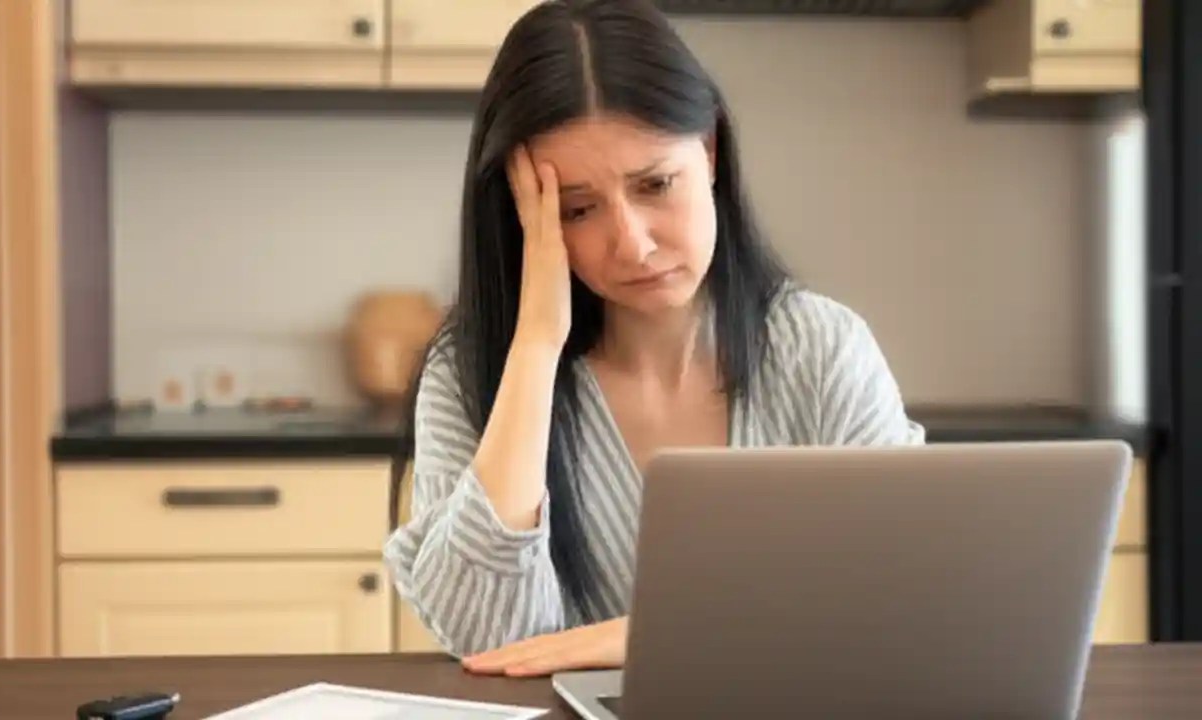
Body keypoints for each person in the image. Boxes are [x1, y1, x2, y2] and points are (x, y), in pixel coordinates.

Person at [382, 0, 924, 678]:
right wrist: (535, 346)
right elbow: (489, 642)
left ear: (711, 153)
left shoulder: (821, 347)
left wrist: (651, 637)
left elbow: (903, 603)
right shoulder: (471, 373)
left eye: (656, 184)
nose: (633, 245)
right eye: (578, 209)